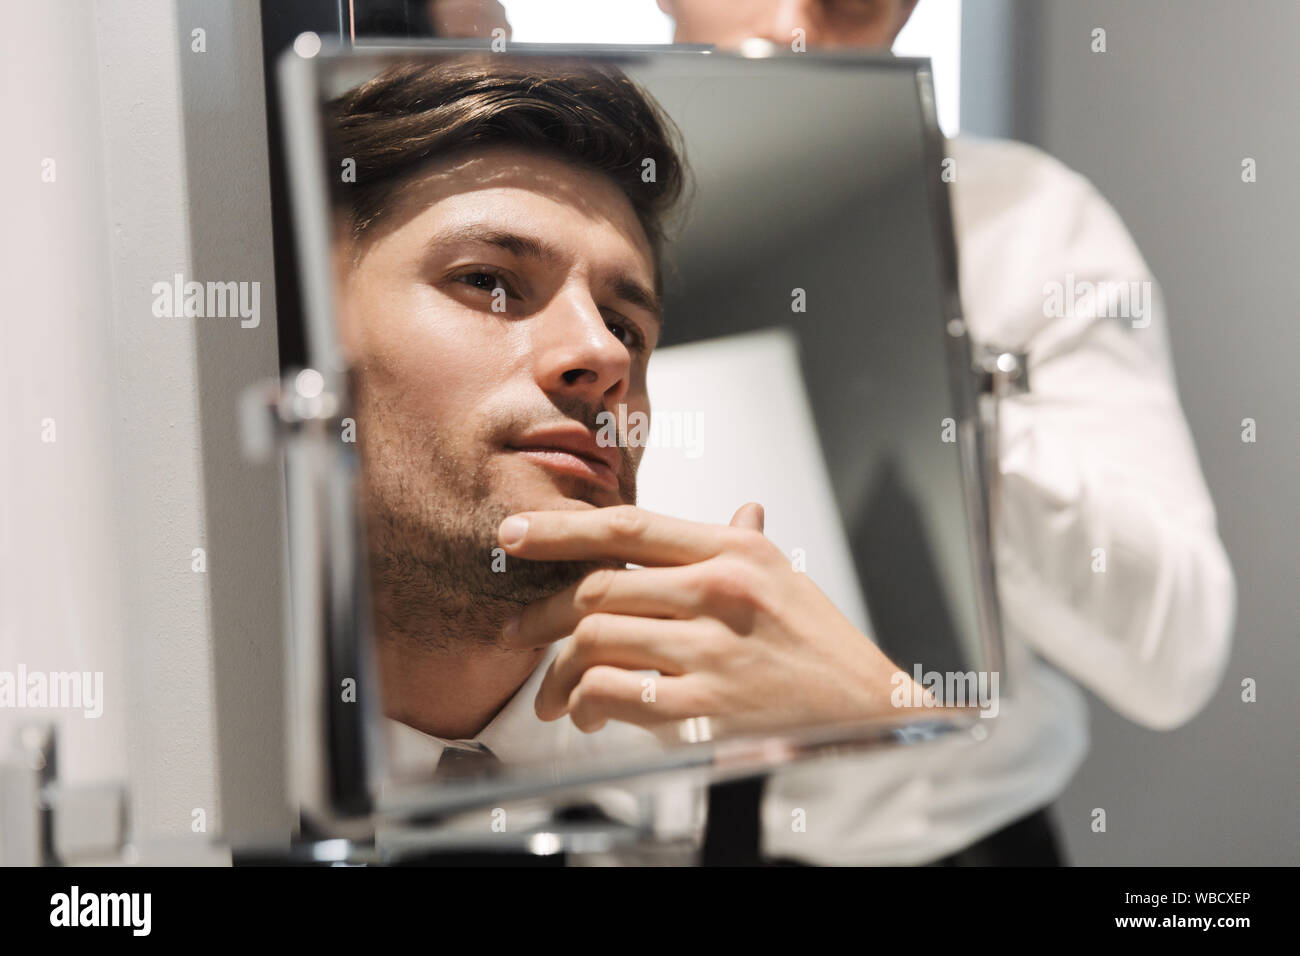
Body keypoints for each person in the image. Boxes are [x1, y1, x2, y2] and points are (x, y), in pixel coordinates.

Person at [644, 0, 1234, 866]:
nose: (796, 24)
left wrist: (955, 392)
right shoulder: (532, 224)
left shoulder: (1030, 224)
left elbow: (1174, 657)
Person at [327, 58, 935, 849]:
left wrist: (887, 723)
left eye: (626, 329)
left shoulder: (754, 793)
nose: (602, 355)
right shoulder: (188, 763)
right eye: (489, 281)